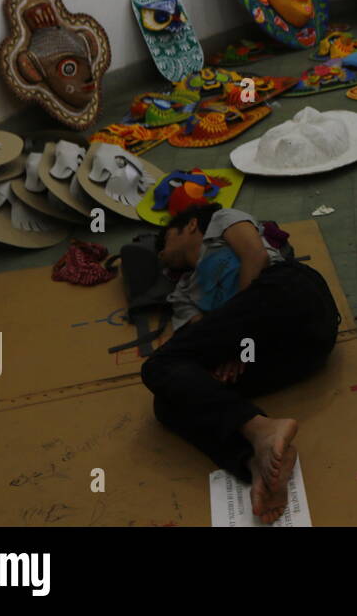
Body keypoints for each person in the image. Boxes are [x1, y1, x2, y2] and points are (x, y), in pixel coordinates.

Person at [140, 203, 341, 523]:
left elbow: (256, 258)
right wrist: (229, 344)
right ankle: (254, 461)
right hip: (296, 355)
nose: (161, 255)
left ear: (191, 225)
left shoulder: (222, 220)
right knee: (166, 403)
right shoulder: (182, 294)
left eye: (163, 243)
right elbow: (196, 345)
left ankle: (260, 428)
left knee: (155, 366)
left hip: (293, 297)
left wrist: (236, 342)